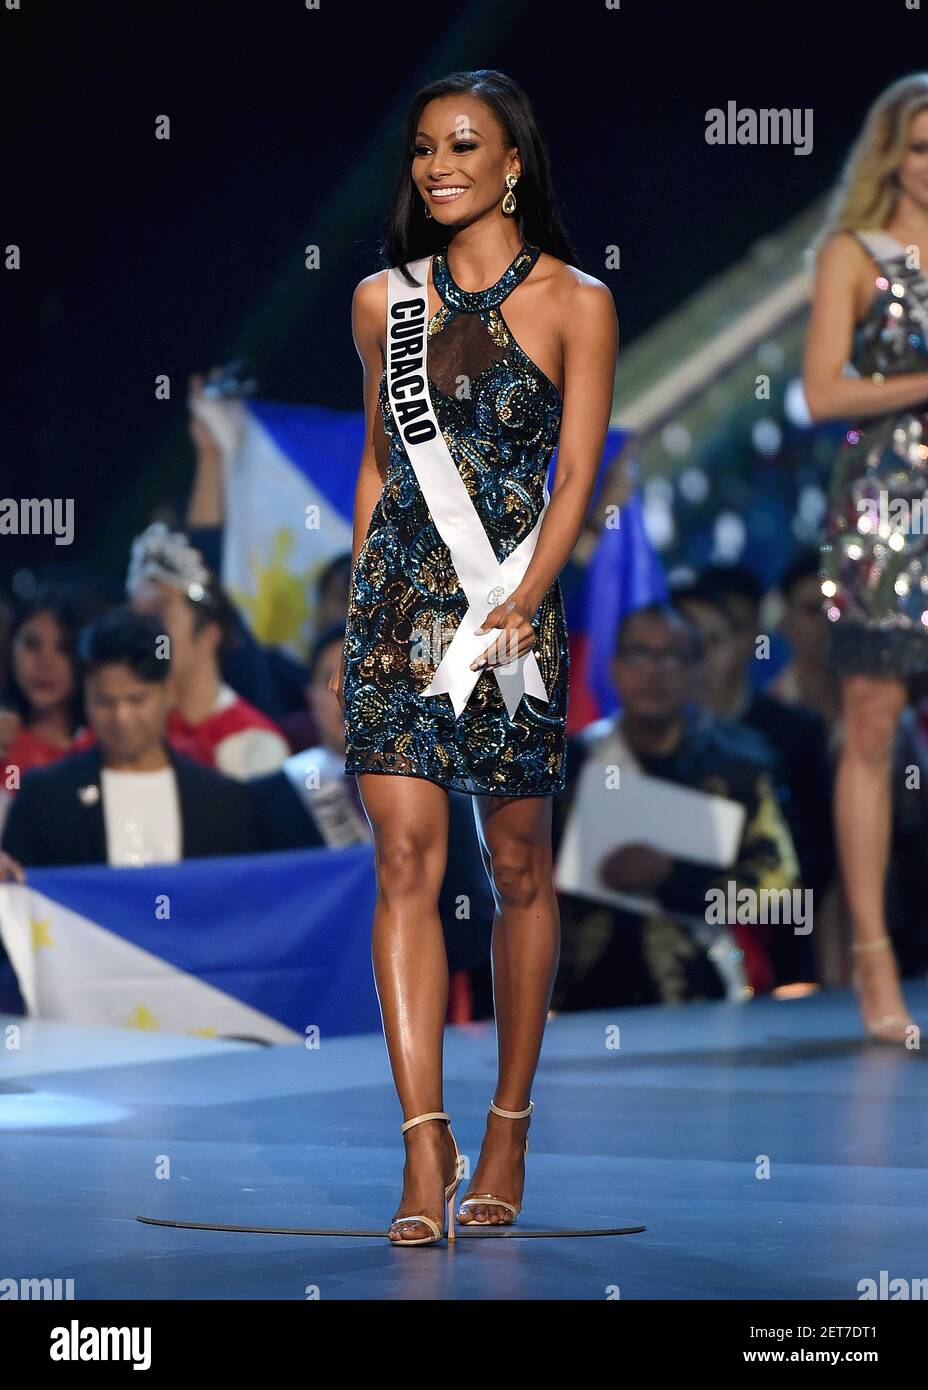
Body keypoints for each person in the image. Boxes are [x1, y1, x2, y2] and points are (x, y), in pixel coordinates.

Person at [328, 70, 617, 1244]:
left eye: (464, 145)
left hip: (511, 610)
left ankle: (506, 1122)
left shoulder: (574, 299)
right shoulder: (377, 304)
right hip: (398, 612)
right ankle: (419, 1142)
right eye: (423, 148)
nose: (438, 164)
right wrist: (360, 603)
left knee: (517, 865)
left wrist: (528, 599)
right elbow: (375, 468)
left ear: (511, 163)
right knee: (403, 856)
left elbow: (576, 477)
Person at [803, 73, 928, 1045]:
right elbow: (821, 393)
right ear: (891, 154)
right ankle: (872, 955)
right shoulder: (852, 253)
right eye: (918, 146)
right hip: (883, 507)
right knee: (871, 723)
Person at [552, 604, 803, 1010]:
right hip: (581, 998)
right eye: (638, 653)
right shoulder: (572, 765)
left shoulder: (738, 769)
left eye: (671, 655)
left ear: (695, 670)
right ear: (614, 666)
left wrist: (673, 877)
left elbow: (780, 889)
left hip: (704, 994)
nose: (654, 670)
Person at [1, 607, 256, 869]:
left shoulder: (222, 802)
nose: (121, 717)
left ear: (169, 693)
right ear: (86, 696)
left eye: (137, 700)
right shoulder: (44, 798)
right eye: (105, 702)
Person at [126, 522, 290, 779]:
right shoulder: (117, 729)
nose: (144, 633)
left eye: (159, 615)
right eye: (137, 619)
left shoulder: (254, 746)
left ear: (208, 634)